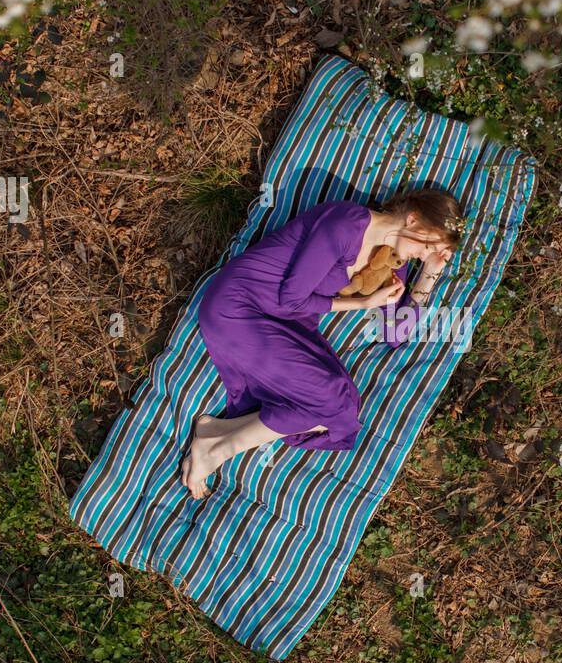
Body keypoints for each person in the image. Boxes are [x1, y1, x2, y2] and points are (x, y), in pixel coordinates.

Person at [181, 189, 462, 500]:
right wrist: (364, 302)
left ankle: (214, 433)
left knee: (343, 409)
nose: (424, 254)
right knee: (331, 400)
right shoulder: (345, 222)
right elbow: (291, 298)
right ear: (413, 220)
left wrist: (430, 274)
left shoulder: (391, 262)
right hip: (240, 307)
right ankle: (218, 449)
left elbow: (396, 333)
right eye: (428, 246)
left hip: (287, 325)